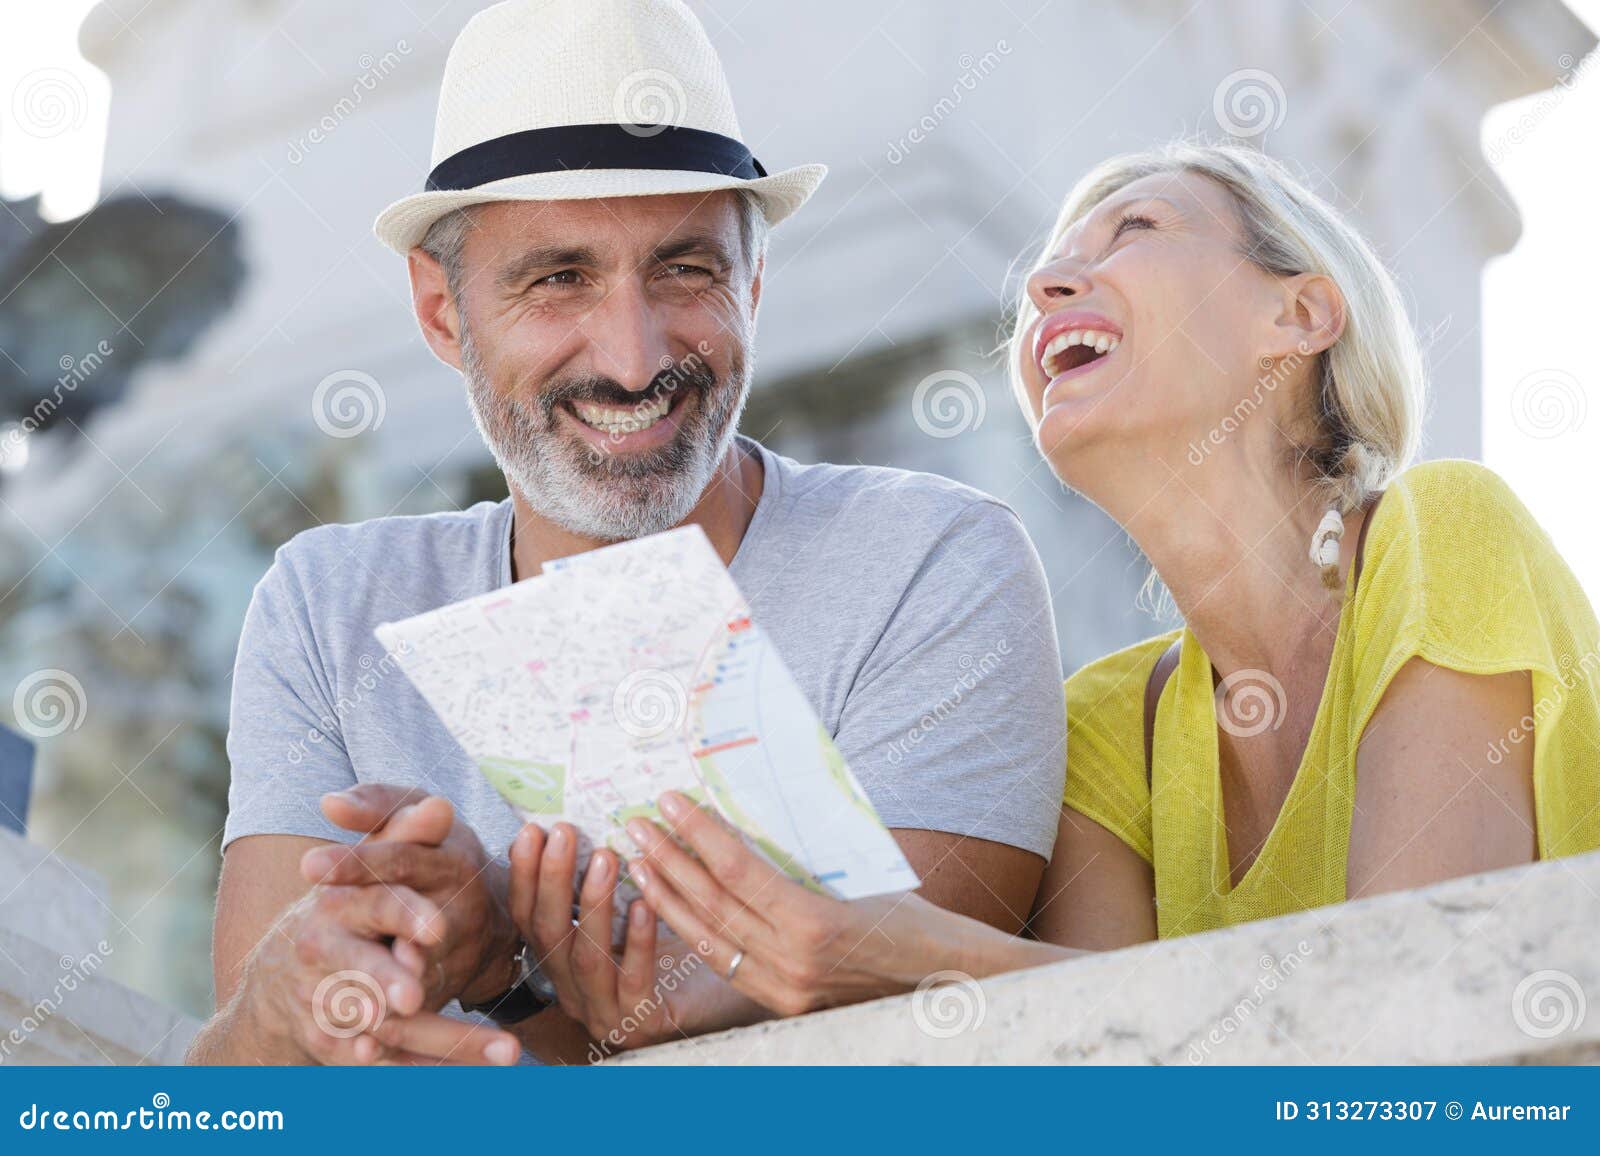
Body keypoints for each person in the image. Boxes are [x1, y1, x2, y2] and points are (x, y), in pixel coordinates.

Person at [537, 140, 1600, 1031]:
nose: (1045, 284)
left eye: (1134, 231)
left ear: (1302, 313)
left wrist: (917, 953)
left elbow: (1409, 1022)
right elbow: (1113, 1068)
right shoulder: (1107, 727)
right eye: (1049, 265)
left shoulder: (1444, 530)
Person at [187, 0, 1067, 1066]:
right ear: (441, 313)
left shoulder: (928, 562)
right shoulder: (329, 602)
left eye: (685, 268)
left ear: (753, 280)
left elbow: (915, 1043)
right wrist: (423, 974)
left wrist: (509, 968)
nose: (635, 356)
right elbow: (252, 1090)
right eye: (558, 278)